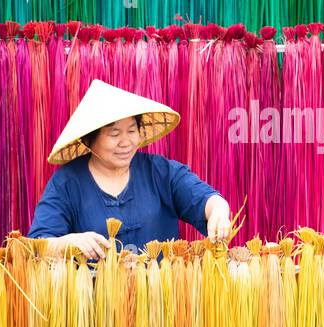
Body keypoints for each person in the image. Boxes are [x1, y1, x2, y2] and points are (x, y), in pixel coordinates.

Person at [28, 80, 232, 257]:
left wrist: (219, 211)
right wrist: (66, 243)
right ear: (89, 141)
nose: (126, 142)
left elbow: (205, 199)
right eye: (114, 134)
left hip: (159, 295)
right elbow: (37, 244)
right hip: (93, 298)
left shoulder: (158, 171)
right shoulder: (67, 183)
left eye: (132, 131)